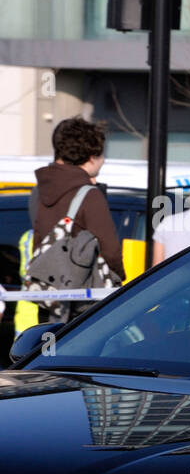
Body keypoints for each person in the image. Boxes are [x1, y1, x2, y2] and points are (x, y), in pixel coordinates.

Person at [28, 117, 124, 323]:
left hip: (48, 295)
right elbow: (111, 250)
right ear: (91, 157)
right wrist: (117, 279)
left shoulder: (38, 192)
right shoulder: (89, 195)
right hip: (81, 305)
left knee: (48, 350)